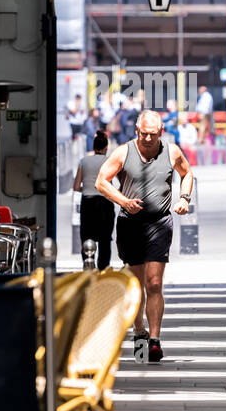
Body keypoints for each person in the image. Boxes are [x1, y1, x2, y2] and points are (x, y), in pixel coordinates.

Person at [95, 109, 194, 363]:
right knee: (136, 287)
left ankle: (154, 342)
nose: (148, 139)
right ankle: (139, 333)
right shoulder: (123, 152)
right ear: (136, 131)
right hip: (130, 224)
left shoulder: (171, 151)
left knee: (154, 284)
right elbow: (101, 182)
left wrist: (184, 198)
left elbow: (187, 174)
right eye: (143, 134)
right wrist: (123, 201)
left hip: (159, 224)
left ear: (161, 132)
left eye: (153, 134)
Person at [73, 130, 114, 270]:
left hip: (88, 203)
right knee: (105, 239)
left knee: (87, 236)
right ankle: (103, 270)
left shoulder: (84, 161)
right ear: (106, 147)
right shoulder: (110, 161)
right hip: (105, 203)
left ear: (93, 146)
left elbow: (76, 186)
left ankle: (88, 266)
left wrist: (87, 188)